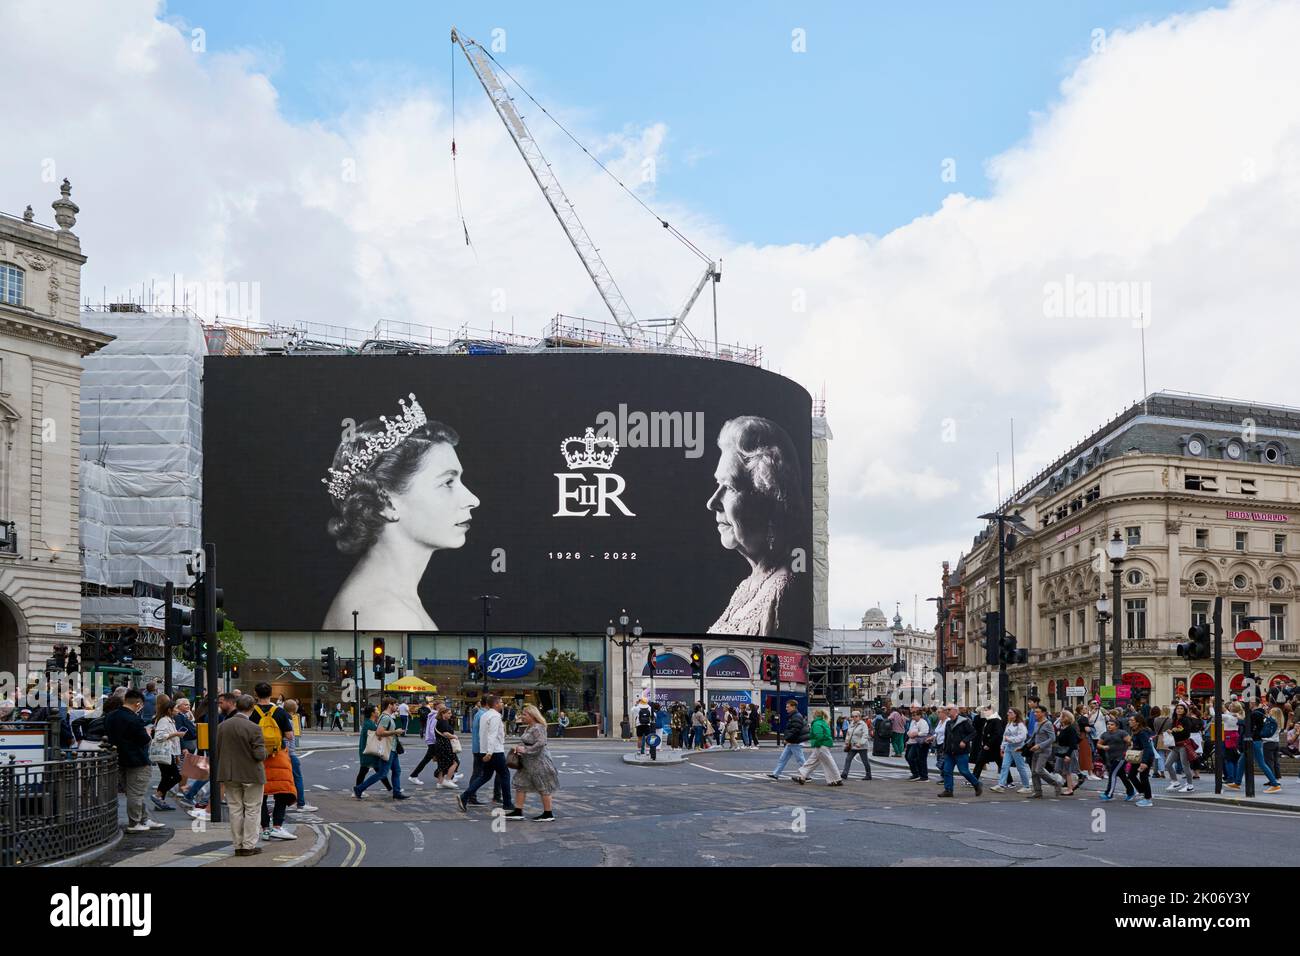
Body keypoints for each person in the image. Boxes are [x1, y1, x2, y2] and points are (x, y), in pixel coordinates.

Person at [322, 393, 480, 630]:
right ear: (387, 503)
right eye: (448, 482)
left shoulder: (392, 600)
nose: (473, 500)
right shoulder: (387, 615)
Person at [705, 416, 806, 639]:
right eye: (717, 484)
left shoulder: (782, 590)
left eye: (729, 487)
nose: (712, 502)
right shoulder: (746, 588)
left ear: (767, 500)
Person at [107, 689, 166, 833]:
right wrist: (147, 733)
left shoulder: (111, 716)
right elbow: (144, 739)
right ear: (138, 703)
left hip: (119, 758)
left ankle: (144, 819)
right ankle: (135, 823)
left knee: (133, 792)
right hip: (137, 760)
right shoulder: (134, 719)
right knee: (136, 793)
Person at [216, 694, 269, 856]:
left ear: (237, 706)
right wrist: (266, 751)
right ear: (252, 709)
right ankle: (248, 845)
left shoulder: (222, 726)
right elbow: (259, 755)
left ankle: (238, 845)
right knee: (252, 809)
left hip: (229, 773)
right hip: (251, 774)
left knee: (235, 809)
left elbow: (218, 750)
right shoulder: (254, 728)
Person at [250, 683, 302, 840]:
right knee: (282, 793)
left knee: (261, 795)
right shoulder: (279, 712)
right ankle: (277, 827)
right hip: (278, 757)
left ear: (255, 693)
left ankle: (265, 829)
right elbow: (289, 736)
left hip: (258, 757)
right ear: (271, 694)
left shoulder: (252, 712)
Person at [503, 705, 559, 821]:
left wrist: (525, 750)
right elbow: (528, 742)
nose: (522, 716)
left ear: (532, 715)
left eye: (525, 714)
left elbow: (541, 743)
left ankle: (548, 814)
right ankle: (518, 811)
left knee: (543, 786)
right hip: (527, 764)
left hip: (539, 763)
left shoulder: (538, 727)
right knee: (520, 784)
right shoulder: (530, 727)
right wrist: (519, 747)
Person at [458, 694, 511, 811]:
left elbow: (482, 735)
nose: (502, 704)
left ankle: (465, 796)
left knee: (485, 776)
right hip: (495, 751)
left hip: (485, 750)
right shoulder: (495, 716)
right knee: (505, 774)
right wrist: (490, 752)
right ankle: (507, 803)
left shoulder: (484, 715)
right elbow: (491, 735)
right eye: (501, 702)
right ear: (496, 704)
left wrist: (485, 751)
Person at [355, 698, 409, 800]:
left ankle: (396, 792)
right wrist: (395, 732)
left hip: (392, 748)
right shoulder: (385, 718)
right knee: (382, 773)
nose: (397, 707)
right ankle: (359, 788)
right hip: (388, 749)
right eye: (395, 705)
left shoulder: (387, 717)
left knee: (397, 771)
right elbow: (379, 732)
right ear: (390, 705)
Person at [938, 704, 983, 797]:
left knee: (964, 771)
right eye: (946, 710)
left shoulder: (964, 721)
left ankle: (976, 784)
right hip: (949, 752)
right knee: (947, 770)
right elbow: (947, 737)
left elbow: (973, 733)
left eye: (949, 709)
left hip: (961, 752)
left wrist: (964, 741)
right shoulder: (948, 723)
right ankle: (948, 790)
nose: (947, 711)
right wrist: (944, 749)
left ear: (955, 711)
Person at [283, 700, 319, 814]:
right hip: (289, 754)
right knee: (297, 778)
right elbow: (288, 738)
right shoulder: (289, 720)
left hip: (283, 753)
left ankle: (288, 802)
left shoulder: (282, 718)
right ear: (294, 709)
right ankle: (301, 803)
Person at [792, 710, 843, 786]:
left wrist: (817, 744)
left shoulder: (816, 723)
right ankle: (802, 776)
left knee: (828, 762)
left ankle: (836, 779)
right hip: (824, 745)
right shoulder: (823, 722)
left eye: (813, 714)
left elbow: (819, 735)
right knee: (811, 762)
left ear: (815, 715)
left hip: (820, 745)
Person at [1119, 715, 1156, 807]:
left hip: (1145, 757)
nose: (1129, 721)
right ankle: (1143, 792)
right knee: (1131, 775)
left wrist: (1144, 762)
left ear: (1137, 722)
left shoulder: (1142, 732)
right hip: (1137, 757)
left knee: (1143, 778)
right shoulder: (1135, 731)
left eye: (1132, 720)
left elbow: (1147, 748)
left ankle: (1148, 799)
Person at [992, 708, 1031, 791]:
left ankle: (1026, 786)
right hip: (1008, 747)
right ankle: (1001, 785)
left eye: (1010, 712)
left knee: (1020, 767)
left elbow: (1022, 737)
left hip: (1018, 748)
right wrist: (1002, 747)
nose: (1008, 714)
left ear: (1015, 714)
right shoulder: (1009, 723)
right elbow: (1004, 737)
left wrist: (1010, 739)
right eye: (1008, 712)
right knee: (1004, 766)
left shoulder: (1020, 725)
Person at [1096, 717, 1136, 801]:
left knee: (1112, 774)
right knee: (1122, 776)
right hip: (1111, 758)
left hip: (1121, 757)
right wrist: (1103, 747)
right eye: (1108, 724)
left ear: (1117, 726)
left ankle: (1109, 794)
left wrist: (1129, 742)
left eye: (1112, 725)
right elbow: (1098, 744)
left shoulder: (1122, 733)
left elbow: (1130, 742)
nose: (1109, 726)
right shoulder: (1105, 734)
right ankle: (1131, 791)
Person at [1027, 705, 1063, 798]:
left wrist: (1040, 745)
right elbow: (1033, 737)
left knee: (1039, 770)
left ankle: (1056, 783)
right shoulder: (1036, 723)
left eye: (1037, 712)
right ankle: (1038, 792)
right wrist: (1024, 746)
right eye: (1035, 712)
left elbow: (1052, 738)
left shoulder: (1048, 724)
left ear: (1043, 713)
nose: (1035, 714)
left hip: (1045, 750)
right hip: (1035, 750)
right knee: (1034, 772)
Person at [1164, 703, 1199, 793]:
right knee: (1167, 764)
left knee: (1185, 766)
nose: (1179, 710)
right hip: (1176, 746)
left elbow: (1186, 733)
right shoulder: (1175, 720)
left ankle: (1190, 785)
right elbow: (1174, 732)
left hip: (1184, 745)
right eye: (1178, 708)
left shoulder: (1186, 720)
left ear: (1184, 711)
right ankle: (1175, 782)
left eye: (1181, 708)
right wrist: (1170, 732)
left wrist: (1173, 732)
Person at [770, 700, 808, 779]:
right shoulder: (794, 716)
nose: (786, 708)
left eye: (788, 707)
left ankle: (807, 775)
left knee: (800, 760)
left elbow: (795, 730)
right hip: (792, 741)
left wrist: (787, 739)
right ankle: (775, 774)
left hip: (795, 741)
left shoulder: (796, 716)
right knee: (783, 759)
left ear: (793, 707)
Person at [972, 705, 1003, 780]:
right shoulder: (988, 720)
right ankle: (973, 779)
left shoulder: (995, 720)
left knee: (981, 762)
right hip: (988, 745)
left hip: (992, 746)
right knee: (980, 762)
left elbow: (997, 734)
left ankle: (973, 779)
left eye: (986, 710)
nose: (984, 712)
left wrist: (988, 744)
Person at [1054, 710, 1081, 796]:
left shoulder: (1071, 729)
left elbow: (1073, 744)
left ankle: (1070, 789)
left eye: (1062, 716)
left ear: (1067, 718)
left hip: (1068, 751)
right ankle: (1073, 784)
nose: (1060, 718)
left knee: (1067, 771)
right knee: (1058, 769)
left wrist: (1068, 755)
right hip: (1061, 750)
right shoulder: (1062, 728)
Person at [842, 711, 873, 780]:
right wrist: (847, 742)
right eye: (853, 716)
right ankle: (845, 773)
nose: (854, 718)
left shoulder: (863, 724)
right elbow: (848, 734)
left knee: (865, 761)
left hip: (861, 746)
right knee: (848, 759)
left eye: (856, 716)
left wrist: (860, 743)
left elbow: (865, 735)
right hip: (852, 746)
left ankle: (868, 775)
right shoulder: (851, 724)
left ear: (859, 717)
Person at [904, 705, 931, 781]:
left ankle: (921, 775)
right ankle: (916, 774)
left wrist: (916, 734)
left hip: (918, 742)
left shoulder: (923, 722)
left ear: (919, 715)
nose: (913, 717)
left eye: (915, 715)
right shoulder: (913, 722)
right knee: (908, 757)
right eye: (912, 715)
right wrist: (909, 734)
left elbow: (925, 732)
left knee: (913, 757)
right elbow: (909, 730)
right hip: (911, 742)